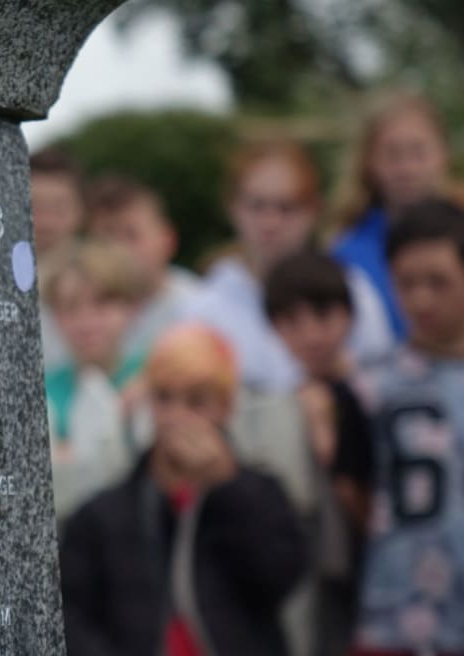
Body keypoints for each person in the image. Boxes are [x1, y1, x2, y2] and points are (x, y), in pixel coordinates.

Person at [60, 324, 307, 656]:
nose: (176, 416)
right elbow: (72, 619)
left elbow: (281, 577)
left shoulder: (258, 492)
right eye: (164, 397)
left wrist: (229, 486)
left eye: (196, 401)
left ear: (224, 407)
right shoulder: (103, 516)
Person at [184, 139, 392, 393]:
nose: (270, 222)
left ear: (314, 210)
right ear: (233, 207)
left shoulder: (353, 289)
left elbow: (384, 379)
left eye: (286, 207)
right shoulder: (203, 309)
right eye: (257, 206)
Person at [352, 198, 464, 655]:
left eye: (439, 282)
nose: (420, 299)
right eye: (406, 283)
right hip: (395, 621)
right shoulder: (369, 384)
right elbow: (351, 492)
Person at [264, 251, 375, 656]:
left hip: (368, 558)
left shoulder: (373, 392)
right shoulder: (278, 403)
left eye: (323, 315)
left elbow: (352, 483)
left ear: (348, 315)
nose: (311, 334)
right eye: (292, 321)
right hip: (312, 561)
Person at [332, 91, 452, 340]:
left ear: (443, 154)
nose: (407, 168)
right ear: (369, 162)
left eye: (418, 152)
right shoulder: (345, 257)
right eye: (393, 154)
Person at [42, 240, 146, 521]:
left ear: (132, 308)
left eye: (102, 304)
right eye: (70, 308)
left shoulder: (153, 375)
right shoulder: (43, 387)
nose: (86, 321)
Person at [84, 176, 199, 365]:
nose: (118, 249)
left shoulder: (197, 307)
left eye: (131, 235)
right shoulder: (70, 312)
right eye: (106, 236)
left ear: (167, 240)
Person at [30, 147, 86, 371]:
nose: (46, 221)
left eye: (58, 208)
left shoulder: (107, 279)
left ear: (81, 210)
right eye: (35, 207)